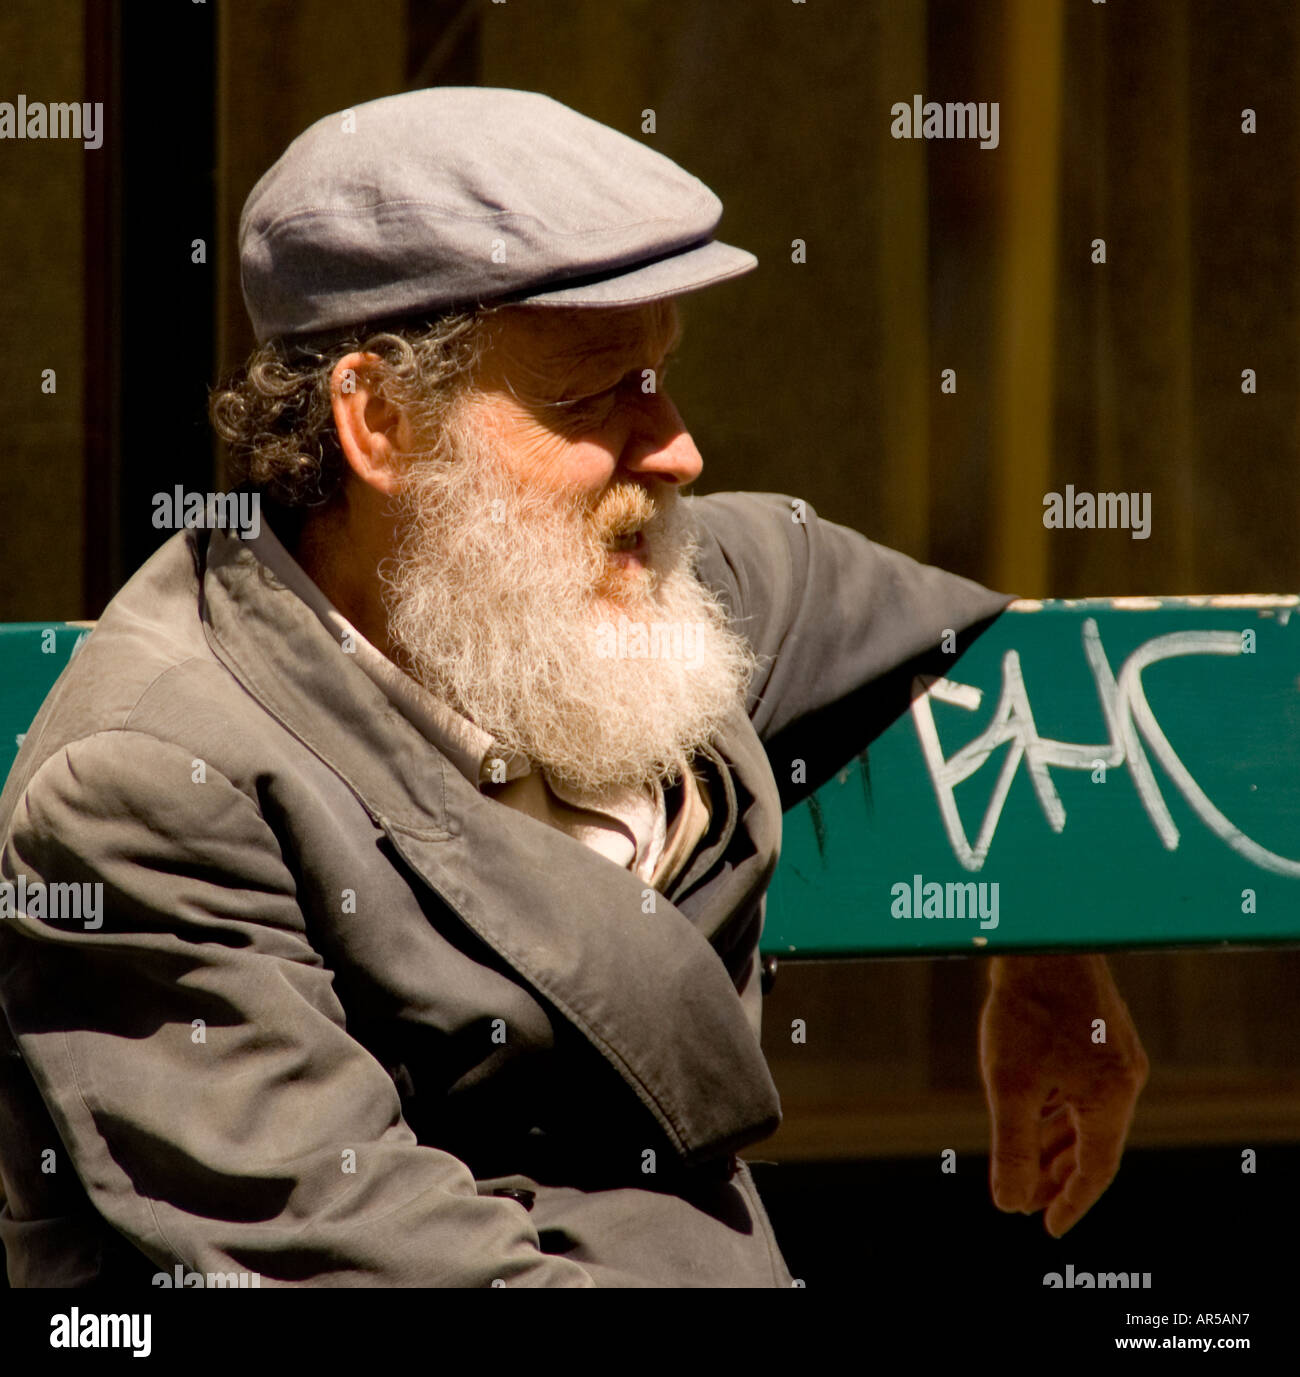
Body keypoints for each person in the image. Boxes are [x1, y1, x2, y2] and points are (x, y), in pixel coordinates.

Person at [0, 87, 1147, 1288]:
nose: (679, 447)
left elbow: (950, 632)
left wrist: (1052, 953)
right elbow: (377, 1266)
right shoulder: (147, 791)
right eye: (594, 393)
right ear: (382, 421)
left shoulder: (618, 580)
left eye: (660, 375)